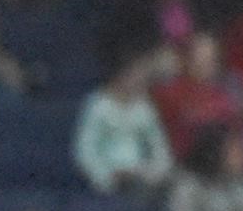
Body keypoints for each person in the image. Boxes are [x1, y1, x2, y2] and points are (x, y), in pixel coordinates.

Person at [76, 53, 178, 193]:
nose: (138, 80)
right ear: (120, 75)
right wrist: (107, 177)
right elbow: (85, 151)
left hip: (141, 180)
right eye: (133, 74)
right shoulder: (98, 106)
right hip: (105, 183)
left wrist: (150, 175)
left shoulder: (144, 108)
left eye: (142, 75)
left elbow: (160, 149)